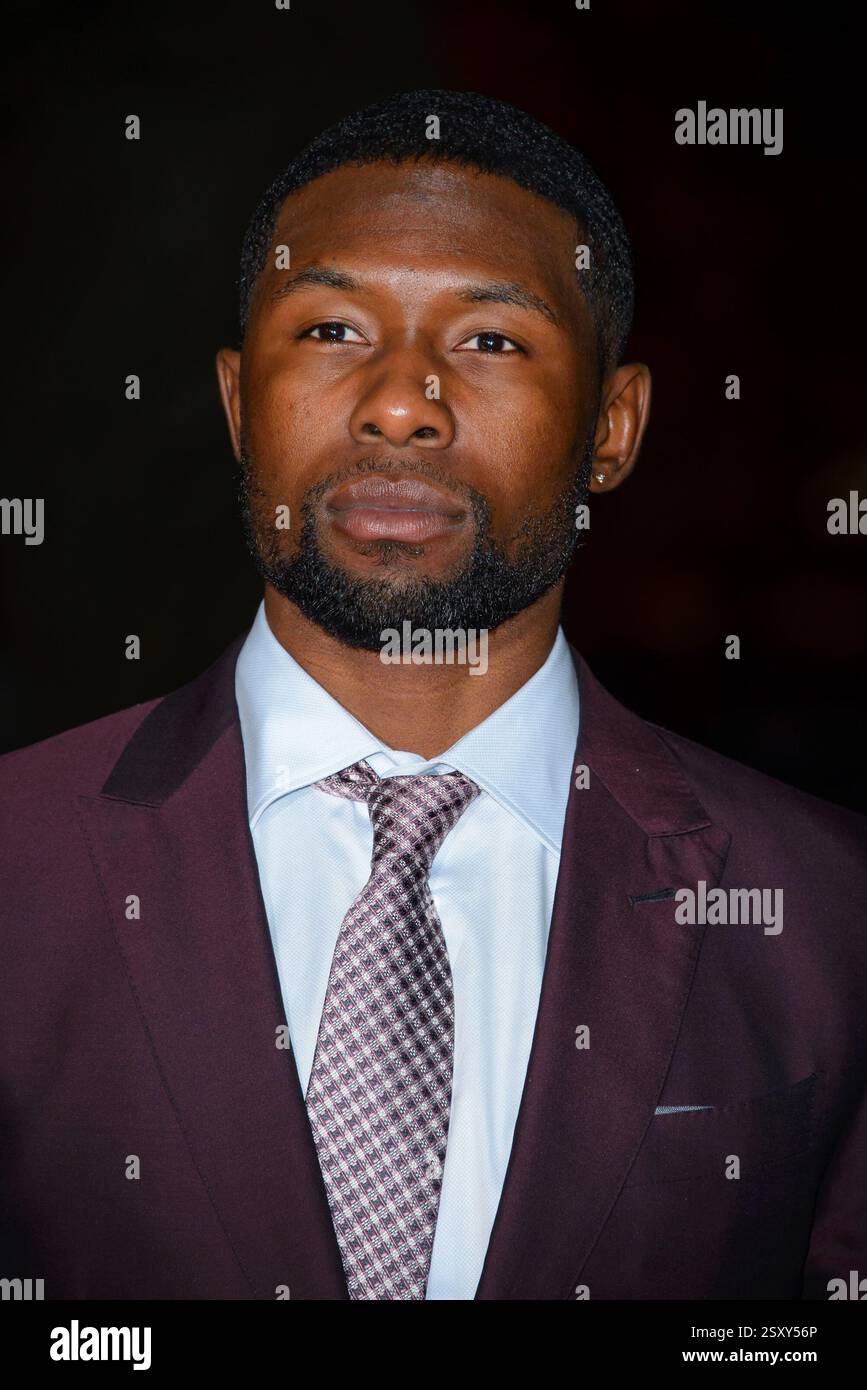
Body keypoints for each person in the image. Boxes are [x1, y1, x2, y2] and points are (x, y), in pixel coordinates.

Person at [1, 89, 864, 1302]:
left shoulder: (829, 911)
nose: (401, 401)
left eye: (491, 340)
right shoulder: (16, 866)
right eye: (334, 329)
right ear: (242, 404)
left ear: (613, 429)